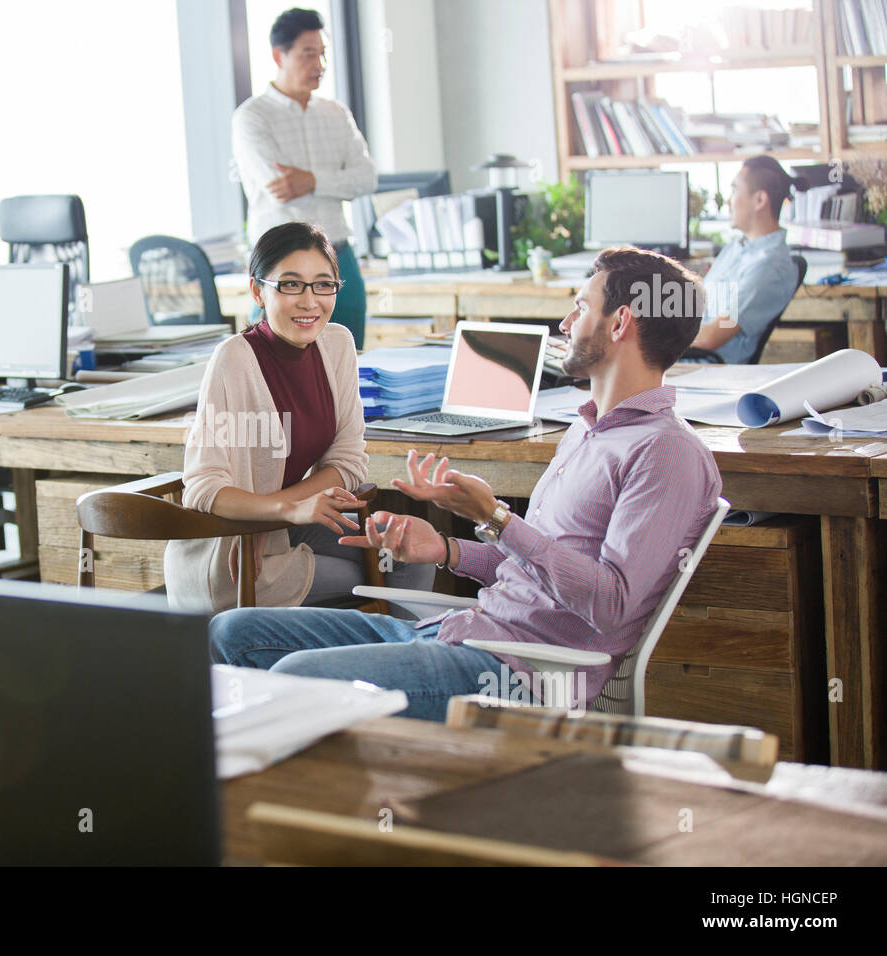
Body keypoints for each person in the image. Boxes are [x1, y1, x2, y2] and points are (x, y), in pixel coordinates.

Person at [210, 246, 723, 719]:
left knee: (297, 678)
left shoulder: (665, 453)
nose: (565, 323)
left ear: (620, 323)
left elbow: (610, 606)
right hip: (464, 632)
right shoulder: (587, 430)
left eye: (581, 307)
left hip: (522, 672)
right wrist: (445, 549)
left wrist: (495, 518)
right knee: (232, 631)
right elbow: (533, 569)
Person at [163, 222, 433, 613]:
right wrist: (276, 514)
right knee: (366, 577)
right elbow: (204, 488)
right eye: (290, 285)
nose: (310, 302)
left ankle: (402, 653)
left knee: (410, 550)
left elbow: (348, 462)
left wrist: (280, 512)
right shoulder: (235, 360)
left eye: (323, 285)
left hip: (285, 526)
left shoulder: (337, 345)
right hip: (229, 552)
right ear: (257, 291)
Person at [231, 7, 377, 350]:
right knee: (276, 362)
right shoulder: (252, 117)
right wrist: (335, 181)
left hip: (339, 256)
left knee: (349, 356)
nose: (320, 64)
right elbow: (280, 187)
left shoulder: (336, 113)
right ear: (278, 56)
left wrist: (311, 181)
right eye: (308, 54)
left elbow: (367, 179)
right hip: (281, 264)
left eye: (323, 54)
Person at [690, 155, 806, 363]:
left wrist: (653, 337)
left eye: (734, 190)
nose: (728, 201)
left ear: (759, 200)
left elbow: (711, 337)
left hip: (705, 365)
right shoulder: (737, 247)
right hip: (684, 355)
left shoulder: (767, 266)